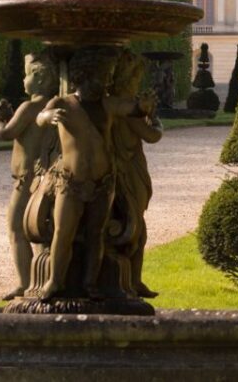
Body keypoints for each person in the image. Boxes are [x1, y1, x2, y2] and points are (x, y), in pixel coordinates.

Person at [36, 47, 155, 301]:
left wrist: (143, 107)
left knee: (96, 235)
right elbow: (39, 117)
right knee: (62, 232)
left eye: (109, 75)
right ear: (83, 75)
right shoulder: (62, 103)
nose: (106, 81)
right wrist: (47, 116)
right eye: (102, 75)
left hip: (103, 183)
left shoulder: (108, 104)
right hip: (71, 182)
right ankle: (55, 281)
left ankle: (91, 282)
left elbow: (132, 109)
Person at [0, 52, 59, 301]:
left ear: (39, 78)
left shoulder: (29, 107)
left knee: (17, 228)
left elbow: (6, 133)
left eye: (27, 75)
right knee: (38, 229)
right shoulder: (50, 106)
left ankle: (25, 282)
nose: (22, 81)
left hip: (24, 179)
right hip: (40, 177)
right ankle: (42, 279)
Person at [110, 51, 163, 298]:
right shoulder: (128, 109)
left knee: (132, 225)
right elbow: (152, 136)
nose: (137, 83)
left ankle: (131, 280)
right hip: (130, 172)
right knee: (136, 227)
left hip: (119, 170)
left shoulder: (112, 105)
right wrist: (154, 118)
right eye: (135, 78)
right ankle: (132, 280)